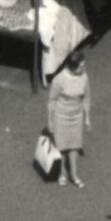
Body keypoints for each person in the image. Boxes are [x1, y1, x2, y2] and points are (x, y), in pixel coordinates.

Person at [47, 49, 90, 188]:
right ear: (73, 66)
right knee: (61, 146)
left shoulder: (84, 77)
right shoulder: (59, 79)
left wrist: (87, 117)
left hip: (76, 116)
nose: (84, 68)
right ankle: (62, 173)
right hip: (61, 116)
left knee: (74, 146)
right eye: (81, 66)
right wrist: (50, 120)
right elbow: (52, 100)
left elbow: (87, 98)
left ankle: (74, 174)